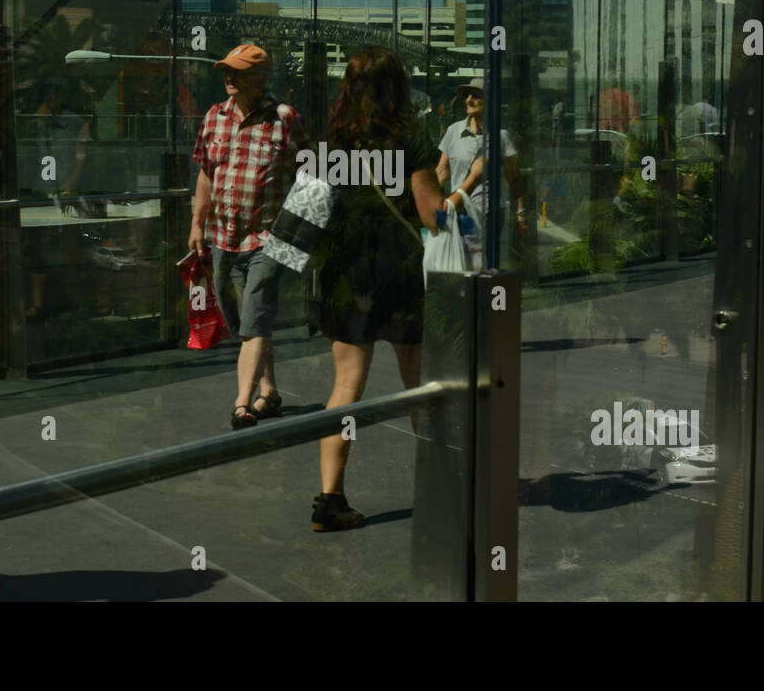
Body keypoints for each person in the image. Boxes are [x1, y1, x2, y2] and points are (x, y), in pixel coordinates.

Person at [310, 47, 452, 531]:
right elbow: (432, 212)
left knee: (346, 385)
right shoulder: (409, 137)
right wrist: (450, 189)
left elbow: (311, 209)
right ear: (398, 87)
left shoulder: (332, 138)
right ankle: (439, 488)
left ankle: (330, 498)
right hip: (399, 272)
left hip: (346, 273)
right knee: (418, 382)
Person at [190, 44, 307, 430]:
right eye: (227, 71)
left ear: (260, 79)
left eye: (238, 73)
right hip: (224, 236)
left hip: (271, 238)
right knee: (246, 321)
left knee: (255, 314)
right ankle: (269, 391)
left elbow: (314, 177)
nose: (229, 78)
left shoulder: (285, 118)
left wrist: (299, 237)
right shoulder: (214, 117)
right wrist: (196, 226)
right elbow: (206, 174)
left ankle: (242, 403)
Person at [436, 77, 527, 269]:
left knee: (480, 263)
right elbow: (442, 171)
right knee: (458, 262)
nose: (468, 100)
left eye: (476, 96)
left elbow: (514, 177)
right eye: (467, 96)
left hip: (488, 212)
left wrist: (521, 211)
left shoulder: (500, 137)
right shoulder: (454, 131)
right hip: (460, 209)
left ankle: (482, 296)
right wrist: (435, 205)